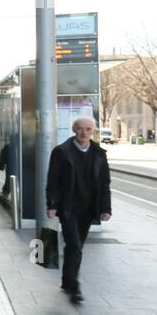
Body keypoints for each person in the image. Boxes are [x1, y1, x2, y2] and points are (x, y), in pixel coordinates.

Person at [45, 117, 112, 304]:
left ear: (93, 131)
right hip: (68, 207)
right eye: (81, 129)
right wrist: (51, 204)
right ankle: (74, 286)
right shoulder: (61, 152)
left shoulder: (99, 153)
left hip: (88, 208)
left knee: (76, 246)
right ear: (74, 130)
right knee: (74, 244)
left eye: (88, 129)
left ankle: (67, 281)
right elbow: (53, 180)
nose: (84, 132)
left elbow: (104, 183)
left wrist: (105, 208)